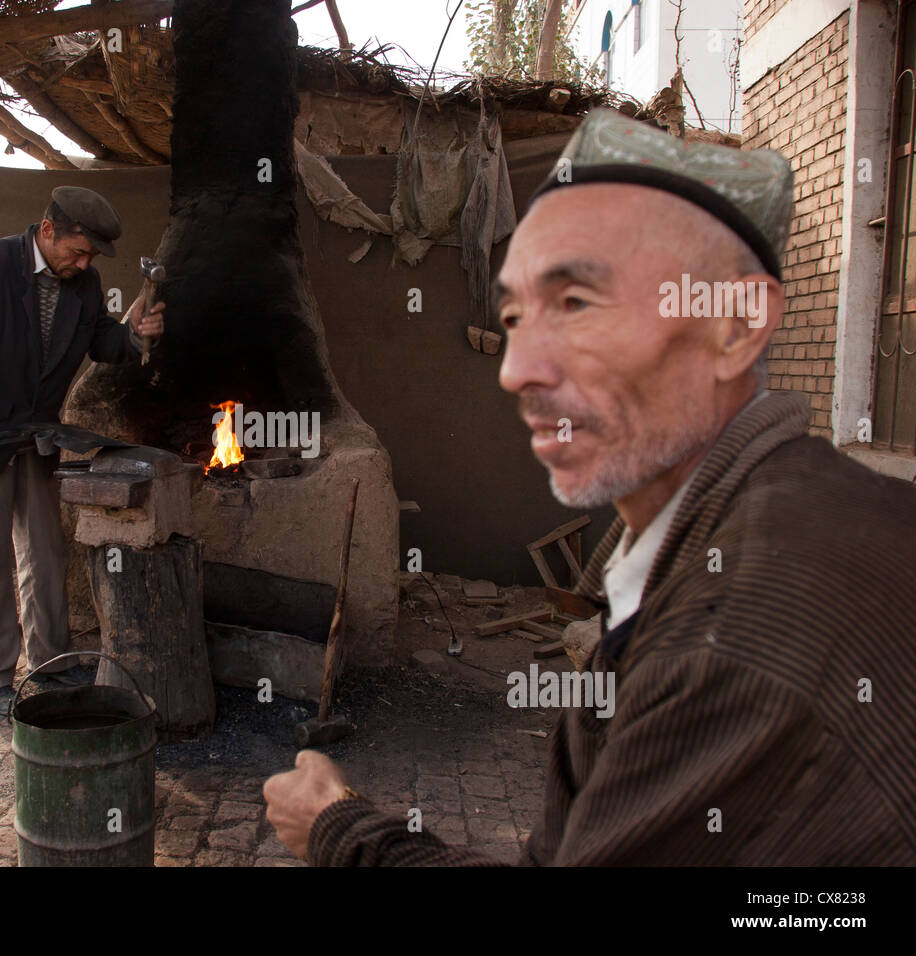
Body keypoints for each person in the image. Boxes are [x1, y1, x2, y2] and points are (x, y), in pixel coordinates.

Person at [263, 109, 916, 865]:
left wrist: (341, 829)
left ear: (735, 325)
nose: (518, 370)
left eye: (577, 304)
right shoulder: (715, 540)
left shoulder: (744, 628)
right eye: (516, 315)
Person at [0, 186, 164, 714]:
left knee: (45, 552)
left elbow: (102, 344)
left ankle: (51, 659)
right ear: (48, 231)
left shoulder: (84, 284)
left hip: (37, 435)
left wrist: (133, 334)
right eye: (79, 250)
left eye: (92, 255)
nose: (85, 263)